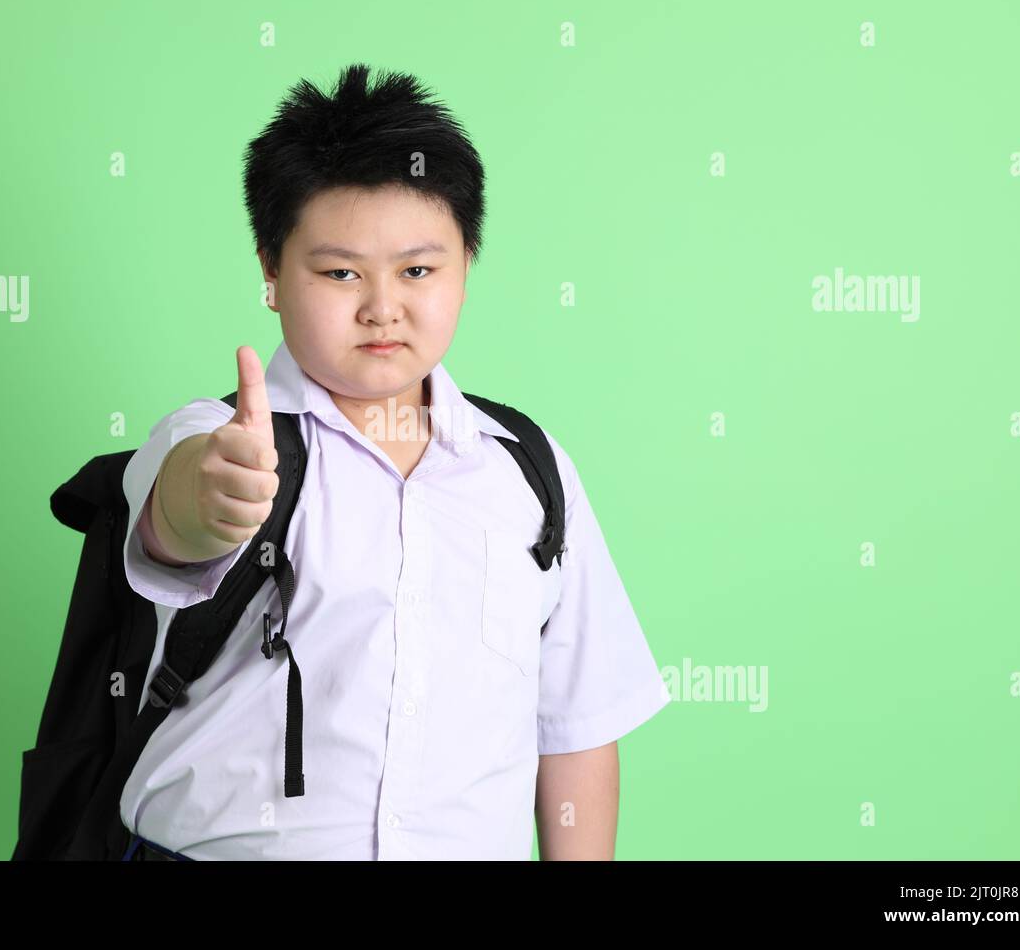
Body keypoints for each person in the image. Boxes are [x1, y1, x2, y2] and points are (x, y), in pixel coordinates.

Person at [118, 63, 671, 860]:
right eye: (339, 272)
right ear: (271, 271)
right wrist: (209, 501)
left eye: (418, 270)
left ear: (465, 268)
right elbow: (175, 515)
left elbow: (575, 724)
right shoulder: (216, 439)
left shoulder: (527, 471)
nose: (383, 307)